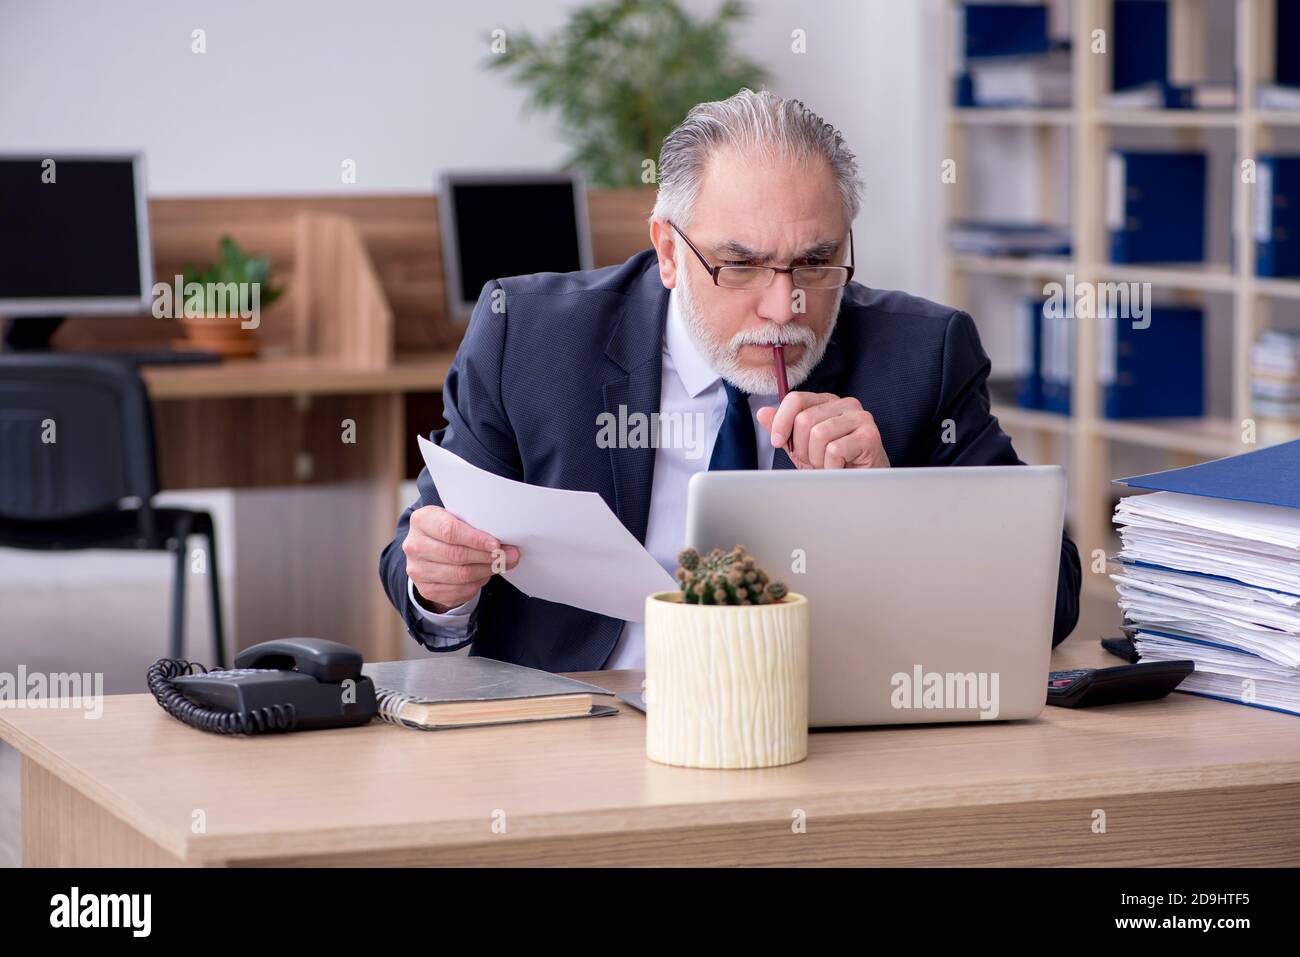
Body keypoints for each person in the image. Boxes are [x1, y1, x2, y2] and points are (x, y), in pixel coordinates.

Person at [380, 89, 1081, 672]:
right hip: (578, 728)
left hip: (820, 732)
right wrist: (441, 584)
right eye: (738, 265)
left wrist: (890, 507)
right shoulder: (527, 335)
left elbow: (1053, 597)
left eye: (815, 262)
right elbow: (424, 554)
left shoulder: (923, 352)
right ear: (667, 250)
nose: (784, 309)